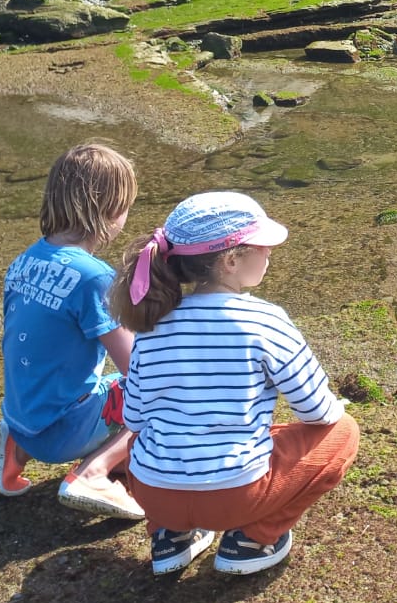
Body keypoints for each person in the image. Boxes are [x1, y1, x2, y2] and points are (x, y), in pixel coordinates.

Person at [109, 190, 359, 576]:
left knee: (149, 441)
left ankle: (169, 536)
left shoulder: (151, 326)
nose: (270, 254)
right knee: (344, 431)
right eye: (263, 246)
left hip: (156, 496)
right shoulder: (265, 320)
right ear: (230, 260)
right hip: (234, 496)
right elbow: (317, 411)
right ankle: (254, 539)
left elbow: (137, 419)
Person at [0, 143, 145, 520]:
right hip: (62, 433)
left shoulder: (24, 260)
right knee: (164, 393)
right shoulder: (94, 279)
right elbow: (137, 369)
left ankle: (17, 447)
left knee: (93, 382)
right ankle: (94, 473)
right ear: (110, 210)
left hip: (22, 417)